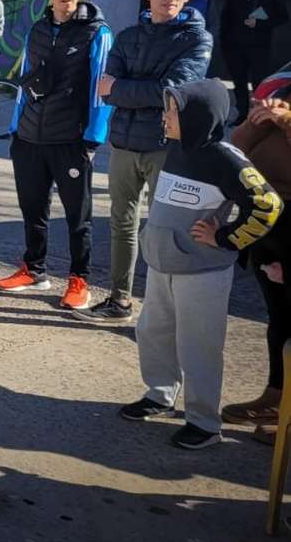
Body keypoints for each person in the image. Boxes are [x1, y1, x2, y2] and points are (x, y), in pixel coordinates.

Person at [117, 81, 282, 450]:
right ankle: (159, 395)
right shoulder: (175, 148)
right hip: (162, 266)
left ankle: (204, 422)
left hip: (202, 274)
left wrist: (224, 238)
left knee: (199, 347)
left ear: (198, 115)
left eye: (172, 111)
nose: (165, 118)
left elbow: (268, 205)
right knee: (153, 333)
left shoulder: (225, 157)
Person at [79, 0, 211, 324]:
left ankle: (161, 313)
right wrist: (131, 91)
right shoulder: (127, 36)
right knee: (122, 224)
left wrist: (122, 89)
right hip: (122, 143)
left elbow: (174, 92)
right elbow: (103, 90)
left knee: (164, 230)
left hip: (164, 146)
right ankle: (119, 300)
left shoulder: (197, 39)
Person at [0, 0, 113, 309]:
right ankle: (34, 270)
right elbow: (25, 80)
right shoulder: (38, 29)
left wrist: (93, 138)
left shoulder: (97, 31)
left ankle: (79, 278)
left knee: (78, 214)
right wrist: (16, 128)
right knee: (33, 207)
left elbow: (100, 89)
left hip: (71, 138)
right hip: (30, 136)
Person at [221, 76, 291, 441]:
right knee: (279, 321)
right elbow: (238, 149)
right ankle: (276, 397)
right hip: (267, 220)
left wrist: (285, 122)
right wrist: (256, 119)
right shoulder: (283, 89)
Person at [221, 0, 287, 123]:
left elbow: (283, 17)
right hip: (235, 47)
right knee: (239, 82)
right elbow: (225, 20)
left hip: (259, 46)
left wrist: (260, 23)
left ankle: (259, 115)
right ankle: (243, 114)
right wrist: (224, 43)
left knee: (259, 82)